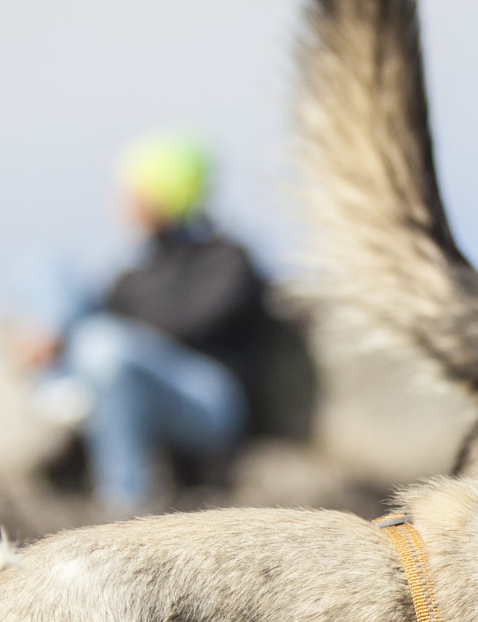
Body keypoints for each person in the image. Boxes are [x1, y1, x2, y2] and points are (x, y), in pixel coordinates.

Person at [24, 133, 292, 512]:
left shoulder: (227, 261)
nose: (121, 201)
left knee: (106, 349)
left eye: (132, 190)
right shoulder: (134, 274)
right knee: (48, 269)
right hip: (127, 372)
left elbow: (190, 326)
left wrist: (106, 340)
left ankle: (125, 503)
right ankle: (64, 387)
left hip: (211, 403)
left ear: (164, 192)